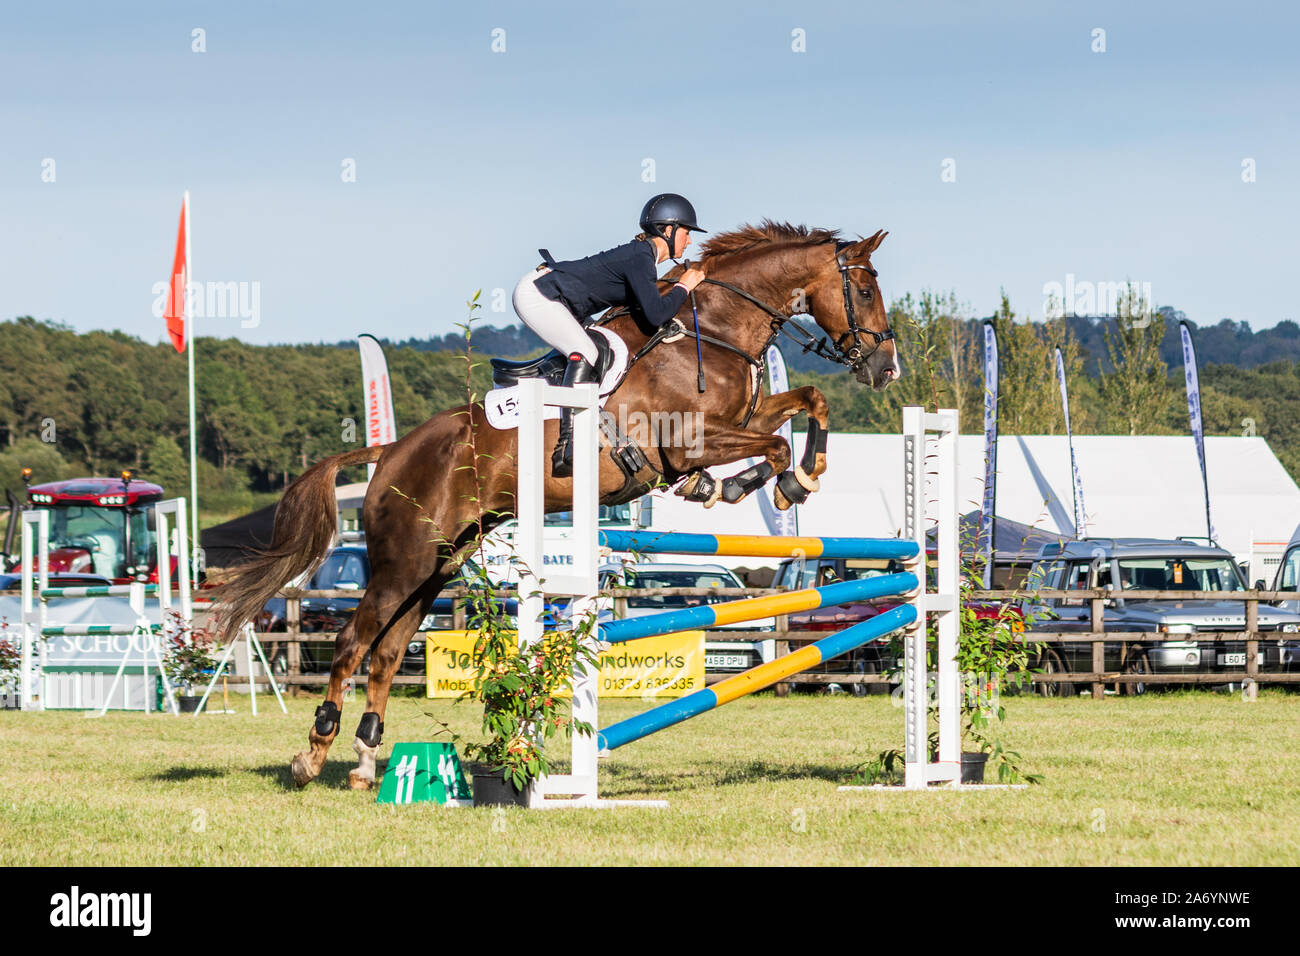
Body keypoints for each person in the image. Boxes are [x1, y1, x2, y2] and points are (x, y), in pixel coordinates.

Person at [512, 193, 709, 477]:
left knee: (602, 349)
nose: (689, 240)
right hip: (539, 294)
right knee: (588, 353)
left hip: (561, 301)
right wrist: (684, 287)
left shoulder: (643, 258)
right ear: (668, 230)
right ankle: (569, 444)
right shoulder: (641, 258)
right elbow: (655, 314)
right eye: (686, 232)